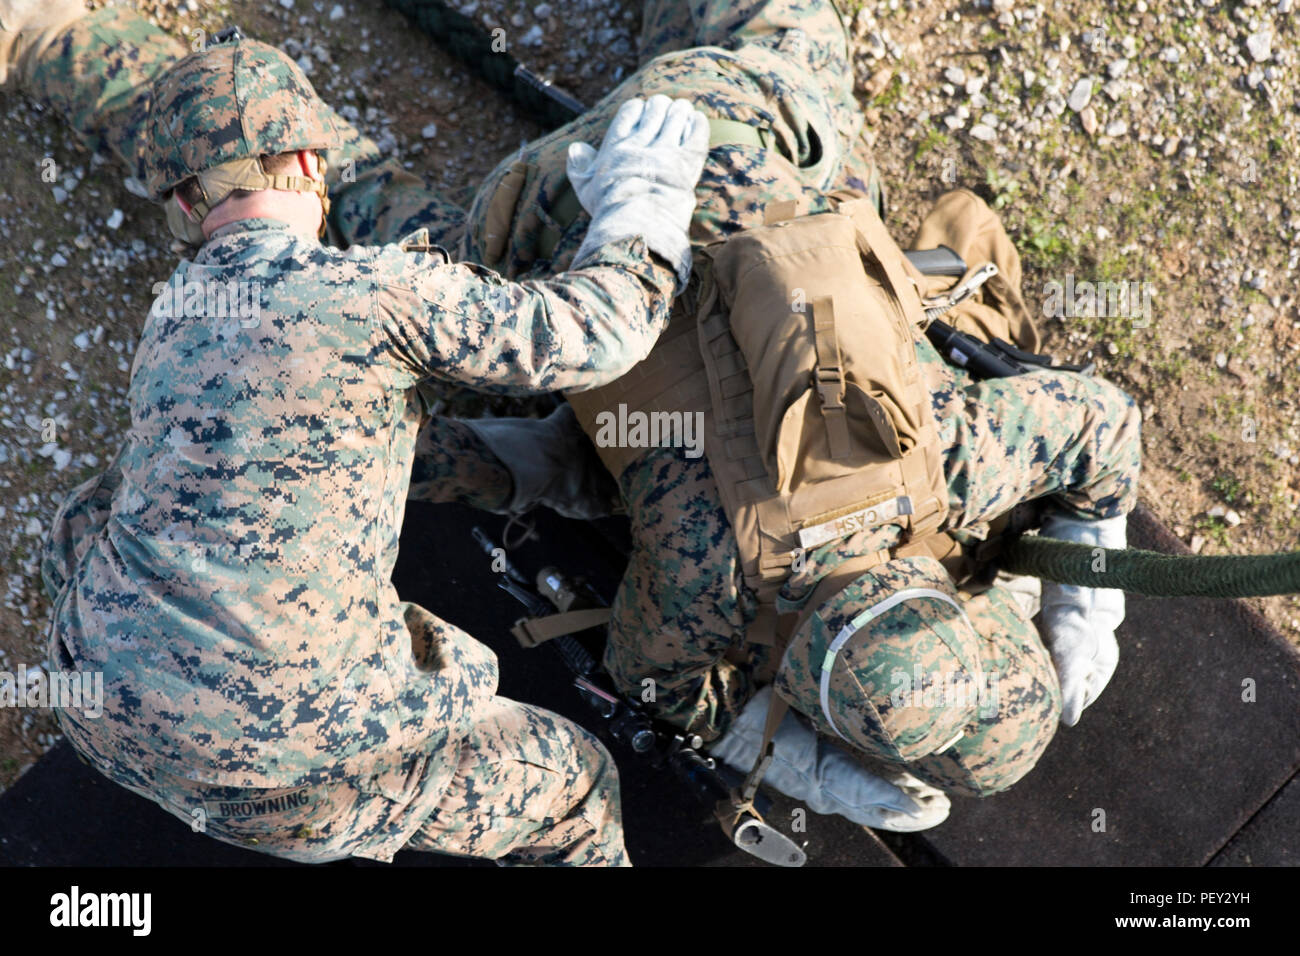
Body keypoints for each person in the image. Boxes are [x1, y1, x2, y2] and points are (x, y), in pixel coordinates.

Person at [4, 0, 710, 865]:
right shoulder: (373, 294)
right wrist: (642, 209)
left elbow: (308, 452)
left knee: (115, 504)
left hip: (101, 708)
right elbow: (596, 337)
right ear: (310, 161)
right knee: (574, 790)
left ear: (184, 206)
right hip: (294, 773)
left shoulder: (175, 312)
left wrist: (513, 462)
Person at [410, 0, 1141, 832]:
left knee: (781, 47)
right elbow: (651, 680)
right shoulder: (702, 588)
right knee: (400, 306)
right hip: (538, 224)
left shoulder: (953, 456)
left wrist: (1089, 583)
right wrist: (802, 765)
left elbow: (1105, 424)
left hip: (729, 121)